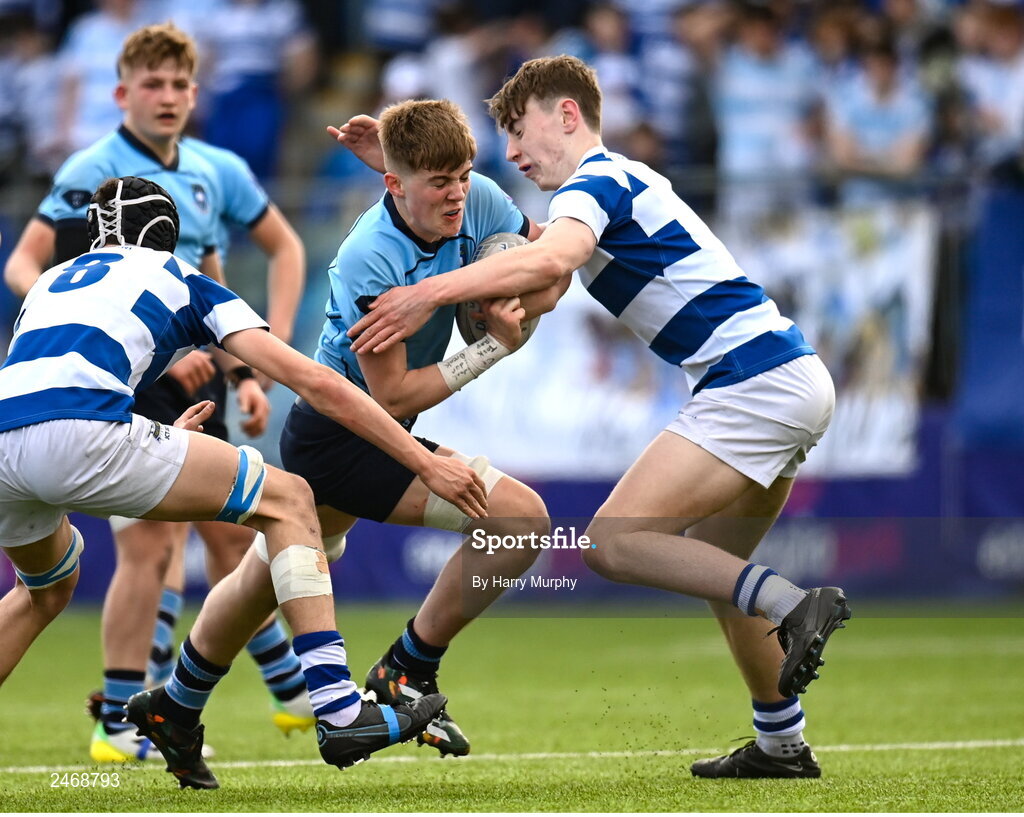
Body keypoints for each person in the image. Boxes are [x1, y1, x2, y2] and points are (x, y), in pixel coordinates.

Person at [347, 55, 852, 779]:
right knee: (719, 566)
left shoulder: (597, 180)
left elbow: (554, 258)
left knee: (612, 544)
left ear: (567, 115)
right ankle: (782, 744)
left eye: (518, 130)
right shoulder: (608, 187)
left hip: (753, 384)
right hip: (784, 376)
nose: (512, 153)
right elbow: (538, 272)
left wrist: (429, 294)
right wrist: (399, 173)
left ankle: (794, 603)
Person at [0, 175, 483, 789]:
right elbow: (318, 383)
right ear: (170, 235)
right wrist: (422, 460)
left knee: (44, 591)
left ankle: (181, 709)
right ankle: (338, 710)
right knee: (290, 499)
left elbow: (55, 380)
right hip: (86, 434)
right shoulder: (179, 276)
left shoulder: (49, 282)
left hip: (7, 442)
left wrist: (151, 439)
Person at [2, 22, 311, 763]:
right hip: (117, 377)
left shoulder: (216, 168)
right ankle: (124, 712)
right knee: (154, 543)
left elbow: (264, 254)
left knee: (229, 535)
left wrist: (247, 369)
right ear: (122, 94)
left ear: (195, 94)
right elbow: (28, 266)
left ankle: (282, 690)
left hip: (193, 361)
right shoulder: (94, 168)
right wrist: (141, 354)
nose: (167, 96)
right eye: (153, 84)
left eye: (179, 85)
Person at [279, 98, 557, 757]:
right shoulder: (369, 256)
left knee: (265, 575)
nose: (458, 193)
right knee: (521, 522)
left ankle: (177, 700)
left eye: (461, 175)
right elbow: (394, 391)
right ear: (395, 184)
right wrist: (493, 345)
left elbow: (552, 271)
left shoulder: (479, 199)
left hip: (378, 426)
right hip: (341, 434)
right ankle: (406, 667)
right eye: (439, 182)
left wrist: (515, 298)